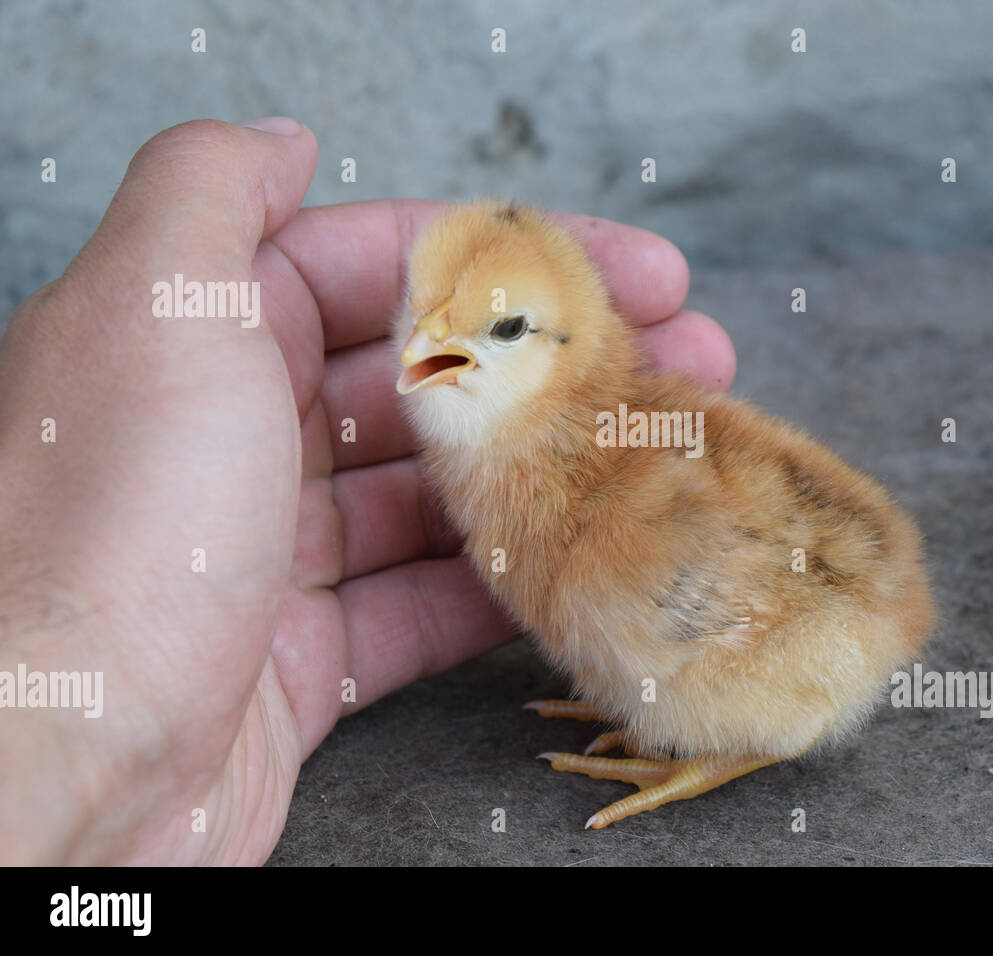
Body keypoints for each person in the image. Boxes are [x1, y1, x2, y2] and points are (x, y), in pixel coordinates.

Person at [0, 118, 735, 864]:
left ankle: (739, 740)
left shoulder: (629, 488)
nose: (422, 341)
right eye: (423, 307)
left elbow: (808, 589)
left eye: (504, 330)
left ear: (572, 350)